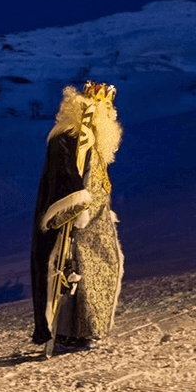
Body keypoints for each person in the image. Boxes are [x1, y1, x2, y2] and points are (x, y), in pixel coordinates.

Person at [31, 82, 125, 351]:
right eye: (103, 107)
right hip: (76, 220)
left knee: (100, 270)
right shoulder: (68, 136)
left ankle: (87, 328)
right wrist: (76, 206)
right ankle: (65, 332)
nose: (107, 113)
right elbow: (64, 175)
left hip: (97, 221)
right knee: (70, 272)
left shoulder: (93, 141)